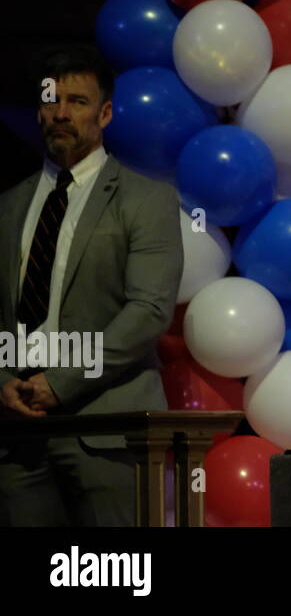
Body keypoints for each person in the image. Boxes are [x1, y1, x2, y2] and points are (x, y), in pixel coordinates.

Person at [0, 45, 182, 526]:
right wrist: (3, 384)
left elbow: (148, 311)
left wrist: (60, 383)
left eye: (76, 101)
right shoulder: (7, 205)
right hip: (17, 436)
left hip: (108, 432)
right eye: (50, 100)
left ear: (104, 113)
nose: (60, 113)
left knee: (112, 579)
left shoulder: (147, 199)